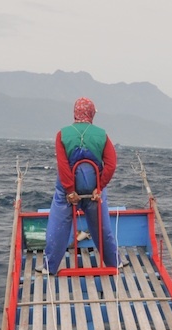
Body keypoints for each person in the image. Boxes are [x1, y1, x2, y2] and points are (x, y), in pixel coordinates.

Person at [43, 97, 119, 274]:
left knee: (57, 226)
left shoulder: (62, 134)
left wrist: (70, 190)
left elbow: (63, 166)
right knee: (102, 227)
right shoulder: (102, 135)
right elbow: (111, 164)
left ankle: (49, 266)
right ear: (91, 113)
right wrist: (99, 187)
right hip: (94, 190)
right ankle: (115, 263)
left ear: (75, 113)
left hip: (68, 191)